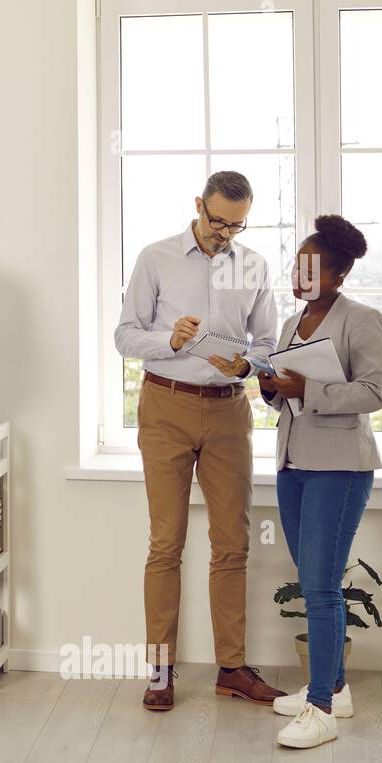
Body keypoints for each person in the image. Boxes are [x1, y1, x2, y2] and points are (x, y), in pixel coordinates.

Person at [114, 170, 286, 711]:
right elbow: (124, 334)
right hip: (165, 405)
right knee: (166, 543)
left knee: (231, 544)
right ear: (198, 207)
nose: (225, 234)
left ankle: (231, 668)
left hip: (229, 411)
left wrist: (249, 361)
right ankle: (161, 672)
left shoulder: (254, 265)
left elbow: (268, 343)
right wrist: (171, 339)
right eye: (217, 222)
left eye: (236, 226)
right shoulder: (156, 257)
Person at [259, 215, 382, 749]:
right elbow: (289, 395)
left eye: (311, 269)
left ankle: (320, 709)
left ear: (337, 277)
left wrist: (305, 388)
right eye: (296, 264)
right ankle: (334, 686)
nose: (299, 274)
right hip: (294, 464)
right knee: (311, 576)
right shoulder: (292, 325)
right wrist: (270, 386)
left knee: (319, 587)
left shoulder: (362, 320)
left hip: (340, 467)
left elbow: (373, 393)